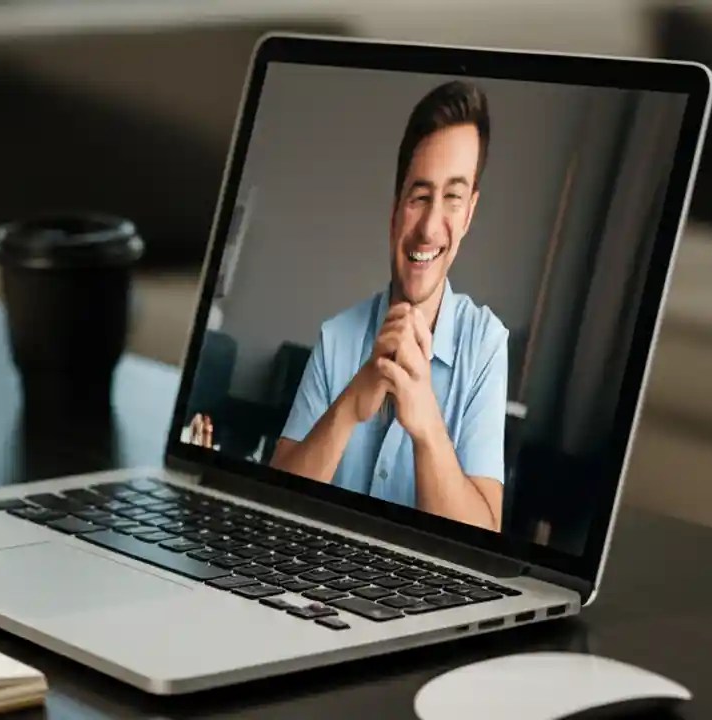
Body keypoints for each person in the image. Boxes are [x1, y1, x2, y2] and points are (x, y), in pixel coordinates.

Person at [189, 80, 508, 531]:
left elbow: (484, 535)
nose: (430, 228)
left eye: (452, 198)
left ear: (470, 212)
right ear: (396, 208)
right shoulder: (336, 337)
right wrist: (350, 404)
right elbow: (274, 506)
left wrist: (427, 426)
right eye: (419, 197)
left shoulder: (488, 345)